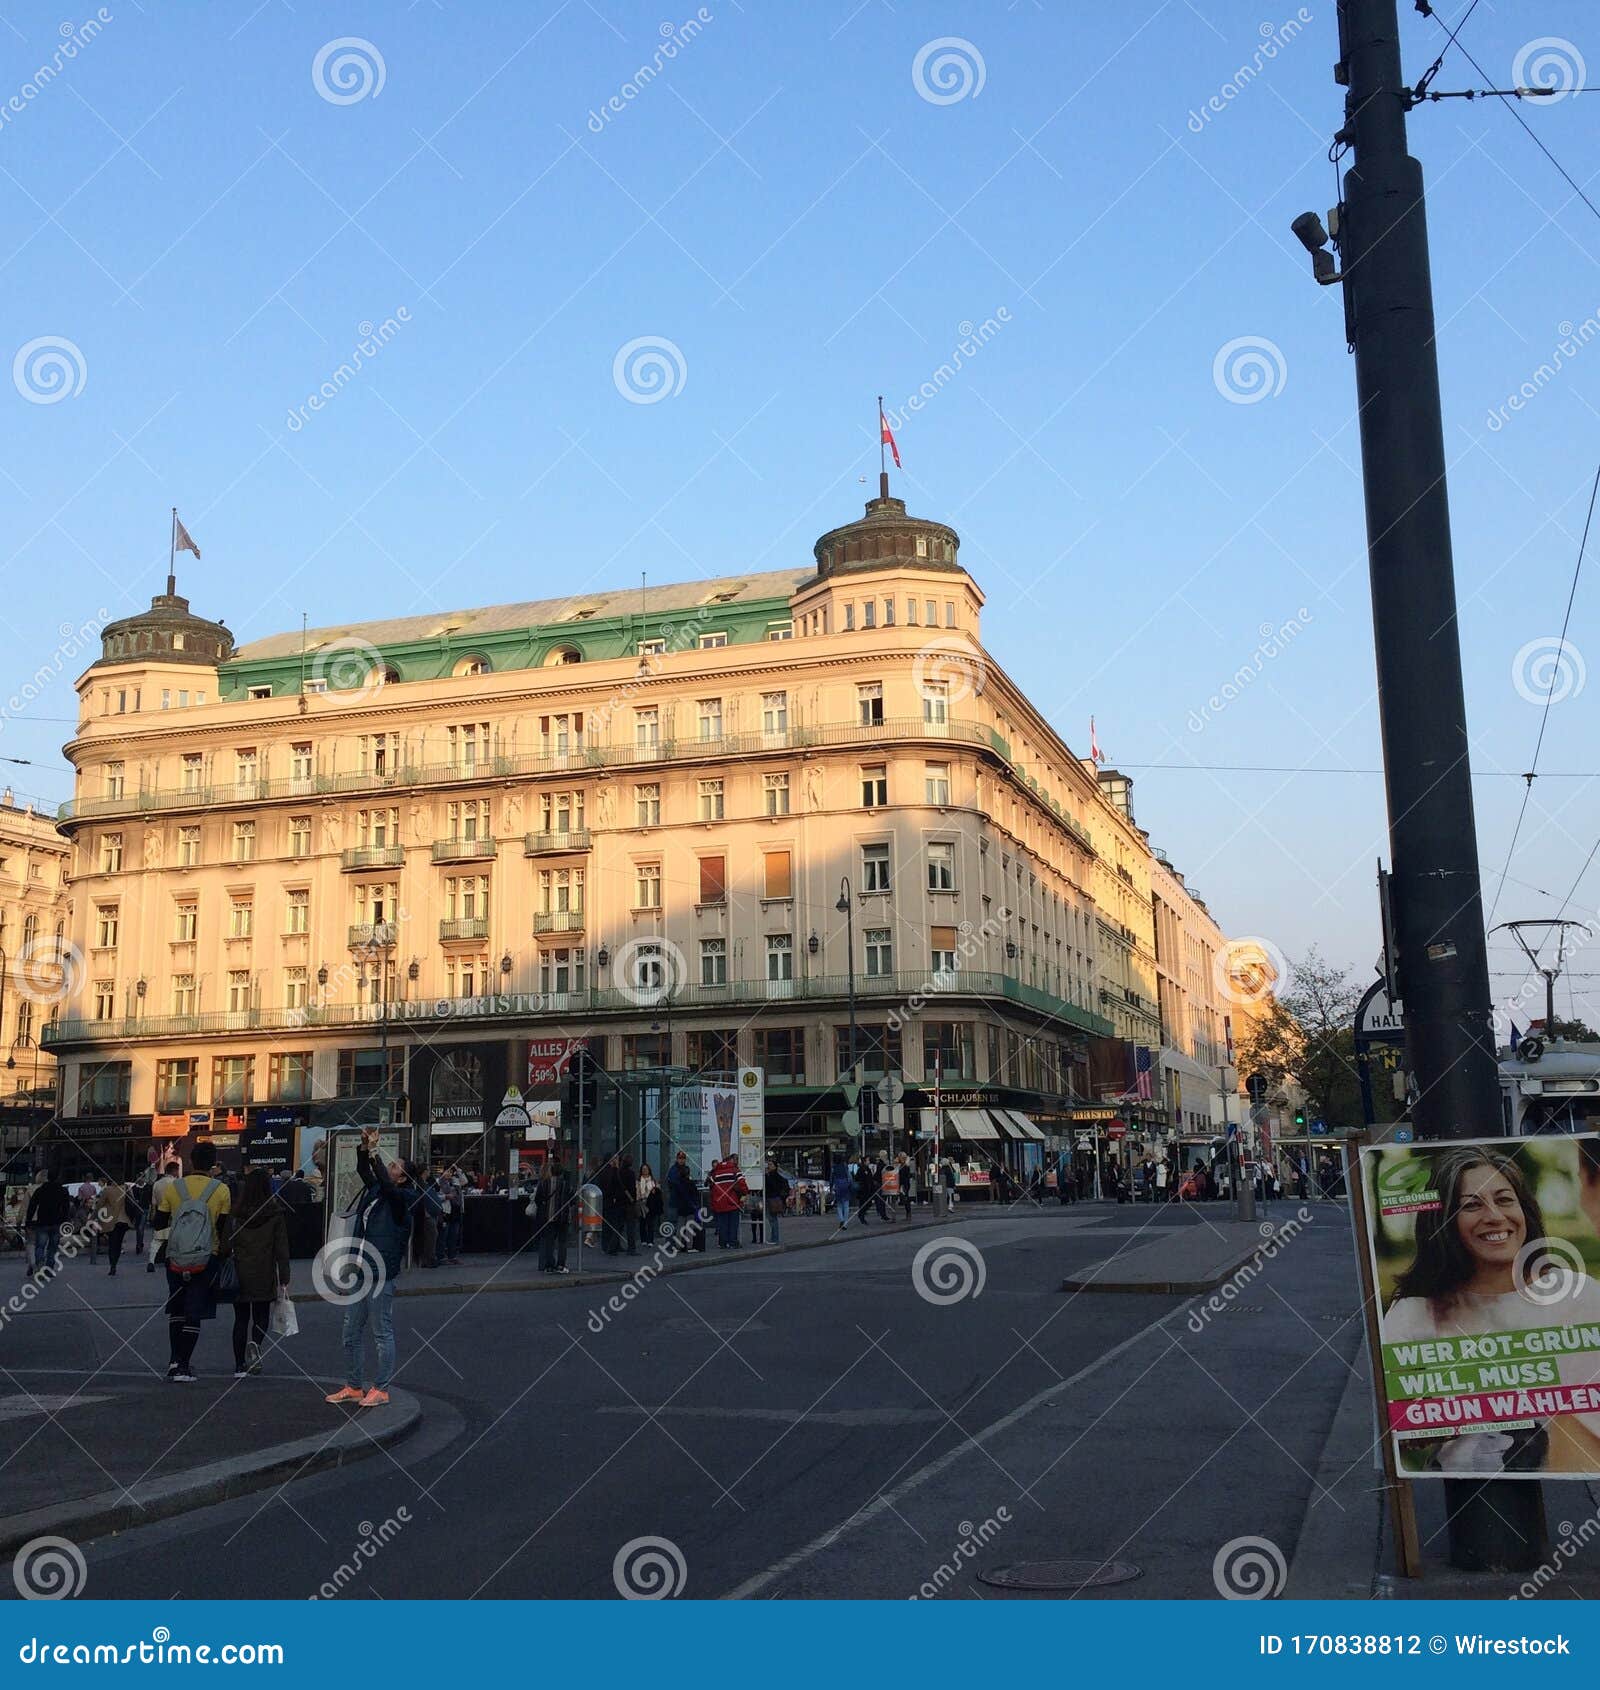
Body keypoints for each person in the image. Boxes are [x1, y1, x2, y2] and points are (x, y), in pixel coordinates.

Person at [1384, 1148, 1600, 1474]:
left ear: (1524, 1209)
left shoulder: (1581, 1295)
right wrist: (1414, 1421)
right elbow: (1386, 1434)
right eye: (1471, 1205)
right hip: (1459, 1501)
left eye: (1504, 1199)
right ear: (1443, 1221)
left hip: (1571, 1497)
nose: (1495, 1216)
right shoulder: (1412, 1315)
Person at [326, 1129, 421, 1410]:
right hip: (362, 1269)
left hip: (381, 1273)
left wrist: (377, 1153)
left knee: (382, 1332)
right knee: (350, 1332)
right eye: (389, 1165)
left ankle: (381, 1388)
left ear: (403, 1177)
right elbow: (363, 1170)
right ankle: (354, 1386)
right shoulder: (378, 1190)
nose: (390, 1168)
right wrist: (364, 1148)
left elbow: (386, 1184)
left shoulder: (403, 1198)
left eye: (395, 1166)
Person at [157, 1142, 231, 1383]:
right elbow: (222, 1228)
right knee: (195, 1310)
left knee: (177, 1308)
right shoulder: (221, 1190)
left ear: (190, 1162)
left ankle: (173, 1361)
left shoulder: (174, 1188)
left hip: (175, 1256)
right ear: (213, 1164)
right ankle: (185, 1366)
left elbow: (159, 1222)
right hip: (206, 1256)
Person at [220, 1169, 289, 1376]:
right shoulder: (274, 1214)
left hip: (240, 1271)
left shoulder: (235, 1214)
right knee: (261, 1316)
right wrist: (284, 1277)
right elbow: (282, 1249)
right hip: (264, 1271)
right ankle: (255, 1344)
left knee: (240, 1319)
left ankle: (239, 1364)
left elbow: (224, 1247)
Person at [24, 1172, 71, 1280]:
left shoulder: (41, 1190)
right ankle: (49, 1268)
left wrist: (28, 1219)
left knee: (40, 1245)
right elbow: (66, 1208)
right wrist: (64, 1221)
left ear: (48, 1178)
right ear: (58, 1178)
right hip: (56, 1222)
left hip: (42, 1222)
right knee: (53, 1247)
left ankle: (40, 1266)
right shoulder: (63, 1190)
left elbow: (32, 1205)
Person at [536, 1157, 573, 1273]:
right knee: (562, 1242)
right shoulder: (566, 1185)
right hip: (563, 1217)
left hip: (549, 1216)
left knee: (549, 1242)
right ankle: (561, 1265)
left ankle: (549, 1265)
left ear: (551, 1171)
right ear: (561, 1172)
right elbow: (573, 1200)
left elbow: (538, 1199)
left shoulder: (544, 1184)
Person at [147, 1158, 181, 1272]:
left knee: (157, 1239)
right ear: (174, 1171)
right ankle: (172, 1261)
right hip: (174, 1213)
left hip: (160, 1212)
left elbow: (153, 1202)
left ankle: (151, 1261)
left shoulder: (157, 1184)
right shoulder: (176, 1183)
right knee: (174, 1239)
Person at [708, 1153, 747, 1248]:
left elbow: (711, 1187)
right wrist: (745, 1193)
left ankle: (723, 1243)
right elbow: (743, 1185)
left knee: (722, 1224)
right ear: (731, 1160)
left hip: (720, 1203)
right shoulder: (735, 1170)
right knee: (733, 1224)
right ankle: (733, 1242)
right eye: (736, 1159)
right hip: (732, 1202)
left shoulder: (715, 1172)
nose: (737, 1161)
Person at [666, 1150, 702, 1251]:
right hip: (676, 1202)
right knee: (675, 1225)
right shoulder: (674, 1171)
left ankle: (676, 1246)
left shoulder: (676, 1170)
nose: (681, 1160)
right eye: (680, 1158)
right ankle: (674, 1245)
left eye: (683, 1158)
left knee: (678, 1226)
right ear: (677, 1159)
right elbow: (676, 1185)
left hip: (679, 1203)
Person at [99, 1180, 131, 1275]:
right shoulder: (126, 1189)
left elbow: (100, 1204)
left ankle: (112, 1265)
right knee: (118, 1243)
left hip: (111, 1220)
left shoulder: (107, 1190)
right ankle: (115, 1262)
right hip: (123, 1220)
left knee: (112, 1243)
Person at [763, 1158, 789, 1244]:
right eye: (768, 1164)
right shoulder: (771, 1175)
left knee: (772, 1219)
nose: (768, 1166)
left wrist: (767, 1175)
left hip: (773, 1198)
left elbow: (773, 1185)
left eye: (770, 1164)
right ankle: (774, 1237)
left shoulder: (774, 1175)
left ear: (775, 1166)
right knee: (772, 1219)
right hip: (771, 1198)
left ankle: (775, 1238)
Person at [636, 1162, 662, 1248]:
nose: (645, 1171)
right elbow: (637, 1191)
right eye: (643, 1169)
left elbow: (659, 1190)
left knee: (651, 1222)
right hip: (642, 1202)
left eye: (646, 1169)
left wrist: (656, 1189)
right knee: (642, 1222)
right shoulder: (638, 1181)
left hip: (651, 1203)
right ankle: (643, 1239)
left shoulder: (653, 1180)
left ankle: (650, 1240)